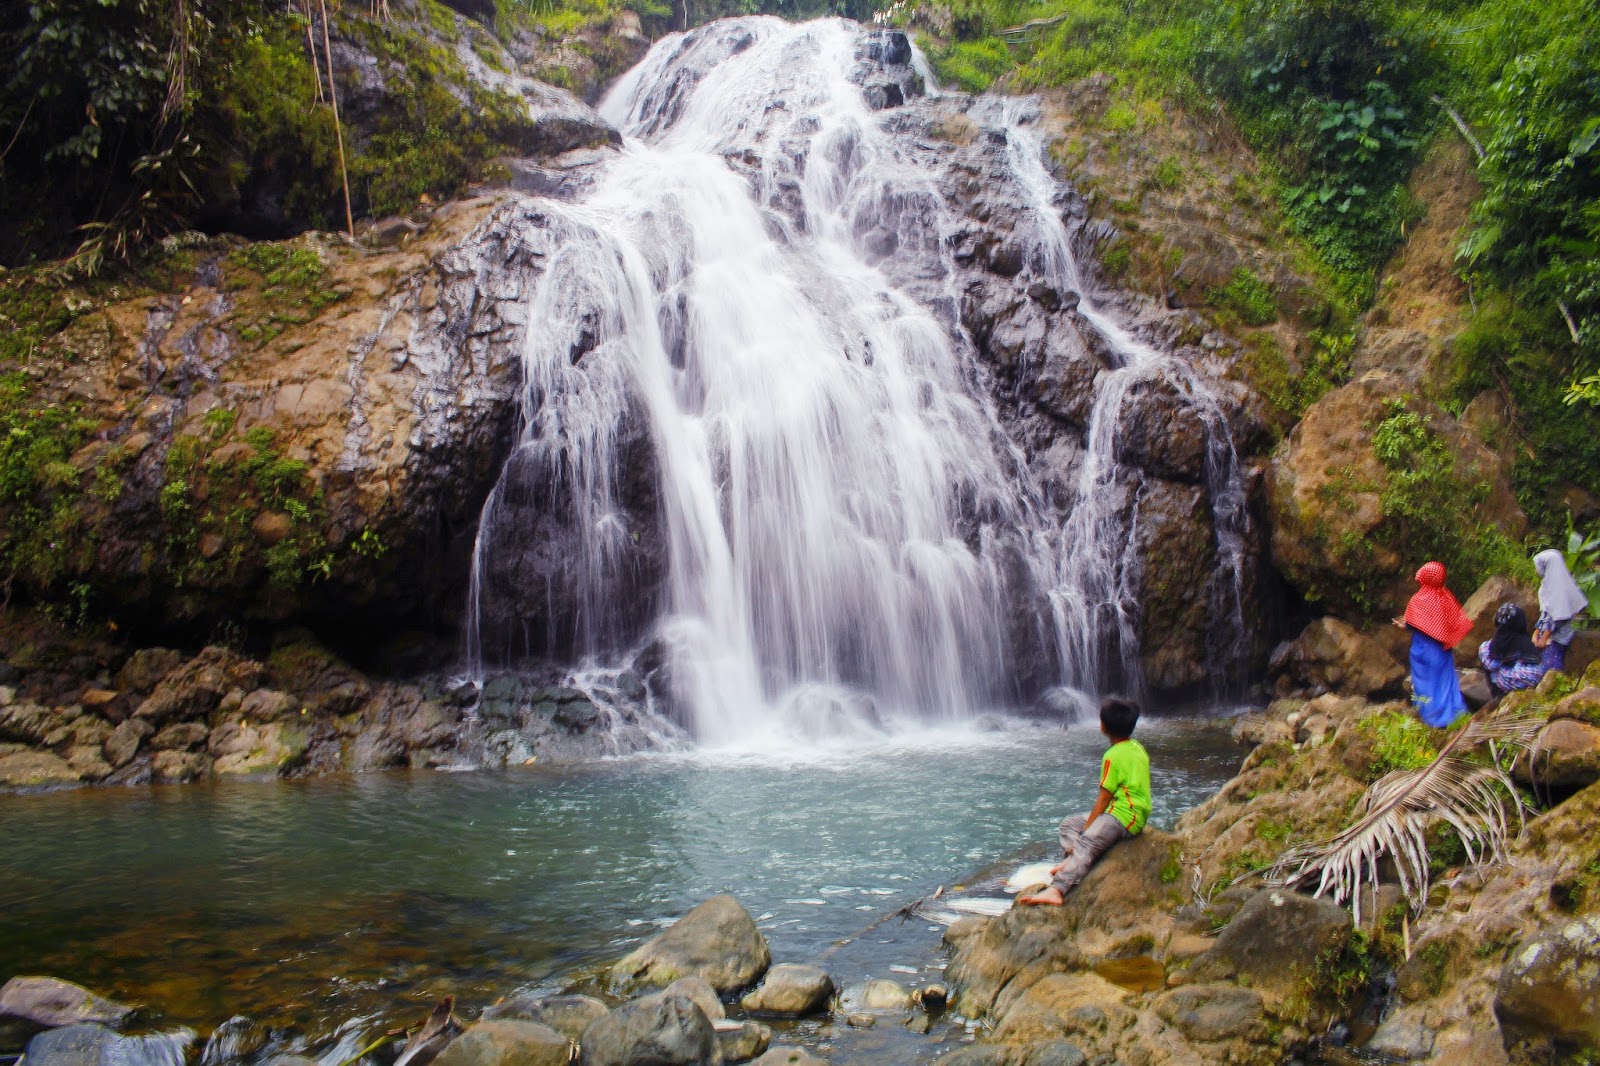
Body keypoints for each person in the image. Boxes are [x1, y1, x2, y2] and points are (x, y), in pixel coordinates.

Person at [1019, 697, 1150, 906]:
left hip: (1125, 816)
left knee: (1087, 839)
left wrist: (1087, 830)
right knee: (1069, 824)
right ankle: (1072, 859)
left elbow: (1103, 799)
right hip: (1123, 812)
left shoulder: (1112, 756)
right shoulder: (1136, 747)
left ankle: (1057, 889)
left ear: (1104, 726)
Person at [1392, 561, 1473, 728]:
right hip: (1442, 651)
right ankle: (1455, 715)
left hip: (1423, 651)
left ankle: (1433, 719)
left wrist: (1401, 626)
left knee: (1427, 685)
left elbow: (1412, 624)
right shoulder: (1446, 597)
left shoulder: (1420, 599)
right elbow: (1454, 624)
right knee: (1445, 683)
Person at [1533, 549, 1588, 672]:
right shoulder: (1552, 582)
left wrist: (1543, 638)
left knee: (1547, 669)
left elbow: (1558, 617)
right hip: (1547, 635)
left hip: (1557, 638)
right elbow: (1546, 612)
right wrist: (1536, 632)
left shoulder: (1559, 587)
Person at [1478, 603, 1549, 695]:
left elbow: (1492, 665)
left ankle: (1498, 696)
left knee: (1486, 654)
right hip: (1537, 676)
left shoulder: (1502, 640)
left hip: (1523, 679)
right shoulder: (1525, 639)